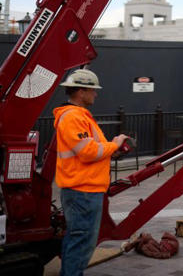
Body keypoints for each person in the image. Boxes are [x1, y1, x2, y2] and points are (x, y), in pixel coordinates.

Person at [53, 69, 130, 276]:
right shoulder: (73, 118)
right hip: (83, 191)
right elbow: (87, 152)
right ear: (81, 91)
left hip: (84, 189)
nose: (96, 94)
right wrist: (114, 146)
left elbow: (93, 148)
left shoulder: (79, 116)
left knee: (81, 241)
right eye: (92, 90)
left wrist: (110, 149)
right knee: (81, 242)